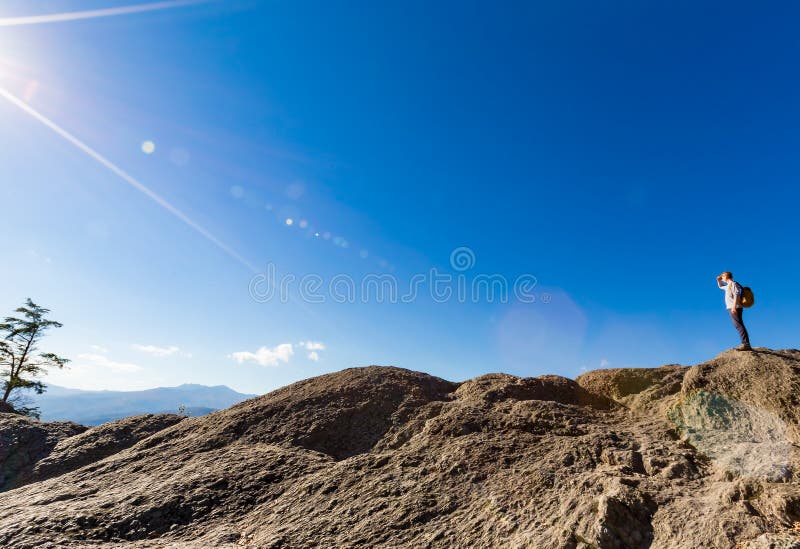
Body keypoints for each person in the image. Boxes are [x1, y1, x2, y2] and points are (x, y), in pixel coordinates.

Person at [716, 272, 752, 351]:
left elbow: (737, 295)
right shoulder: (728, 285)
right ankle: (746, 343)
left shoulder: (733, 284)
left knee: (738, 325)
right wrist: (718, 280)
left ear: (726, 276)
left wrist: (734, 307)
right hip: (732, 307)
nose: (722, 279)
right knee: (738, 324)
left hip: (735, 307)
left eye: (722, 277)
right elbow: (721, 286)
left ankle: (746, 344)